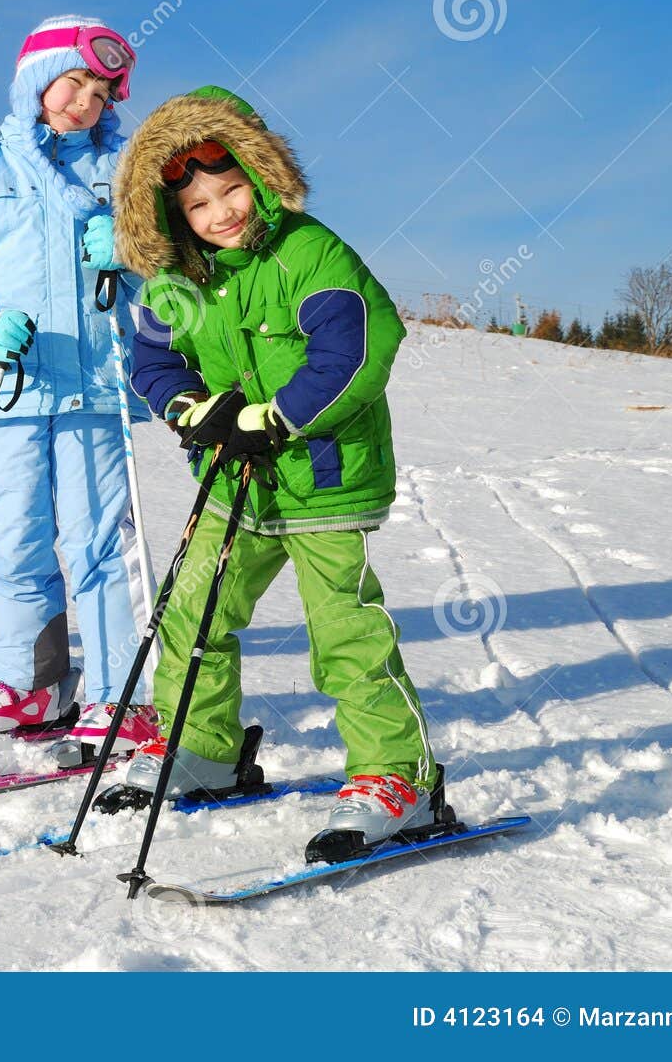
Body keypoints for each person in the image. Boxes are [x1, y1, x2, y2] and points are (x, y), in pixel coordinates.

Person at [115, 85, 443, 855]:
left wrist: (275, 417)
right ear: (173, 219)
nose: (221, 212)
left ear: (261, 176)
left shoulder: (310, 250)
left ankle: (400, 777)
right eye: (198, 206)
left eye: (231, 190)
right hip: (234, 478)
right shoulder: (179, 281)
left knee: (344, 631)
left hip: (323, 474)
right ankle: (204, 750)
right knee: (192, 610)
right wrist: (193, 409)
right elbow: (153, 360)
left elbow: (359, 348)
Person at [0, 16, 157, 761]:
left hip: (93, 387)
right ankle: (28, 679)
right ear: (34, 80)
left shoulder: (127, 169)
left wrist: (129, 251)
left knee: (95, 542)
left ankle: (121, 693)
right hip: (11, 385)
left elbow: (173, 277)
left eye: (99, 90)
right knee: (14, 538)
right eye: (72, 82)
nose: (84, 101)